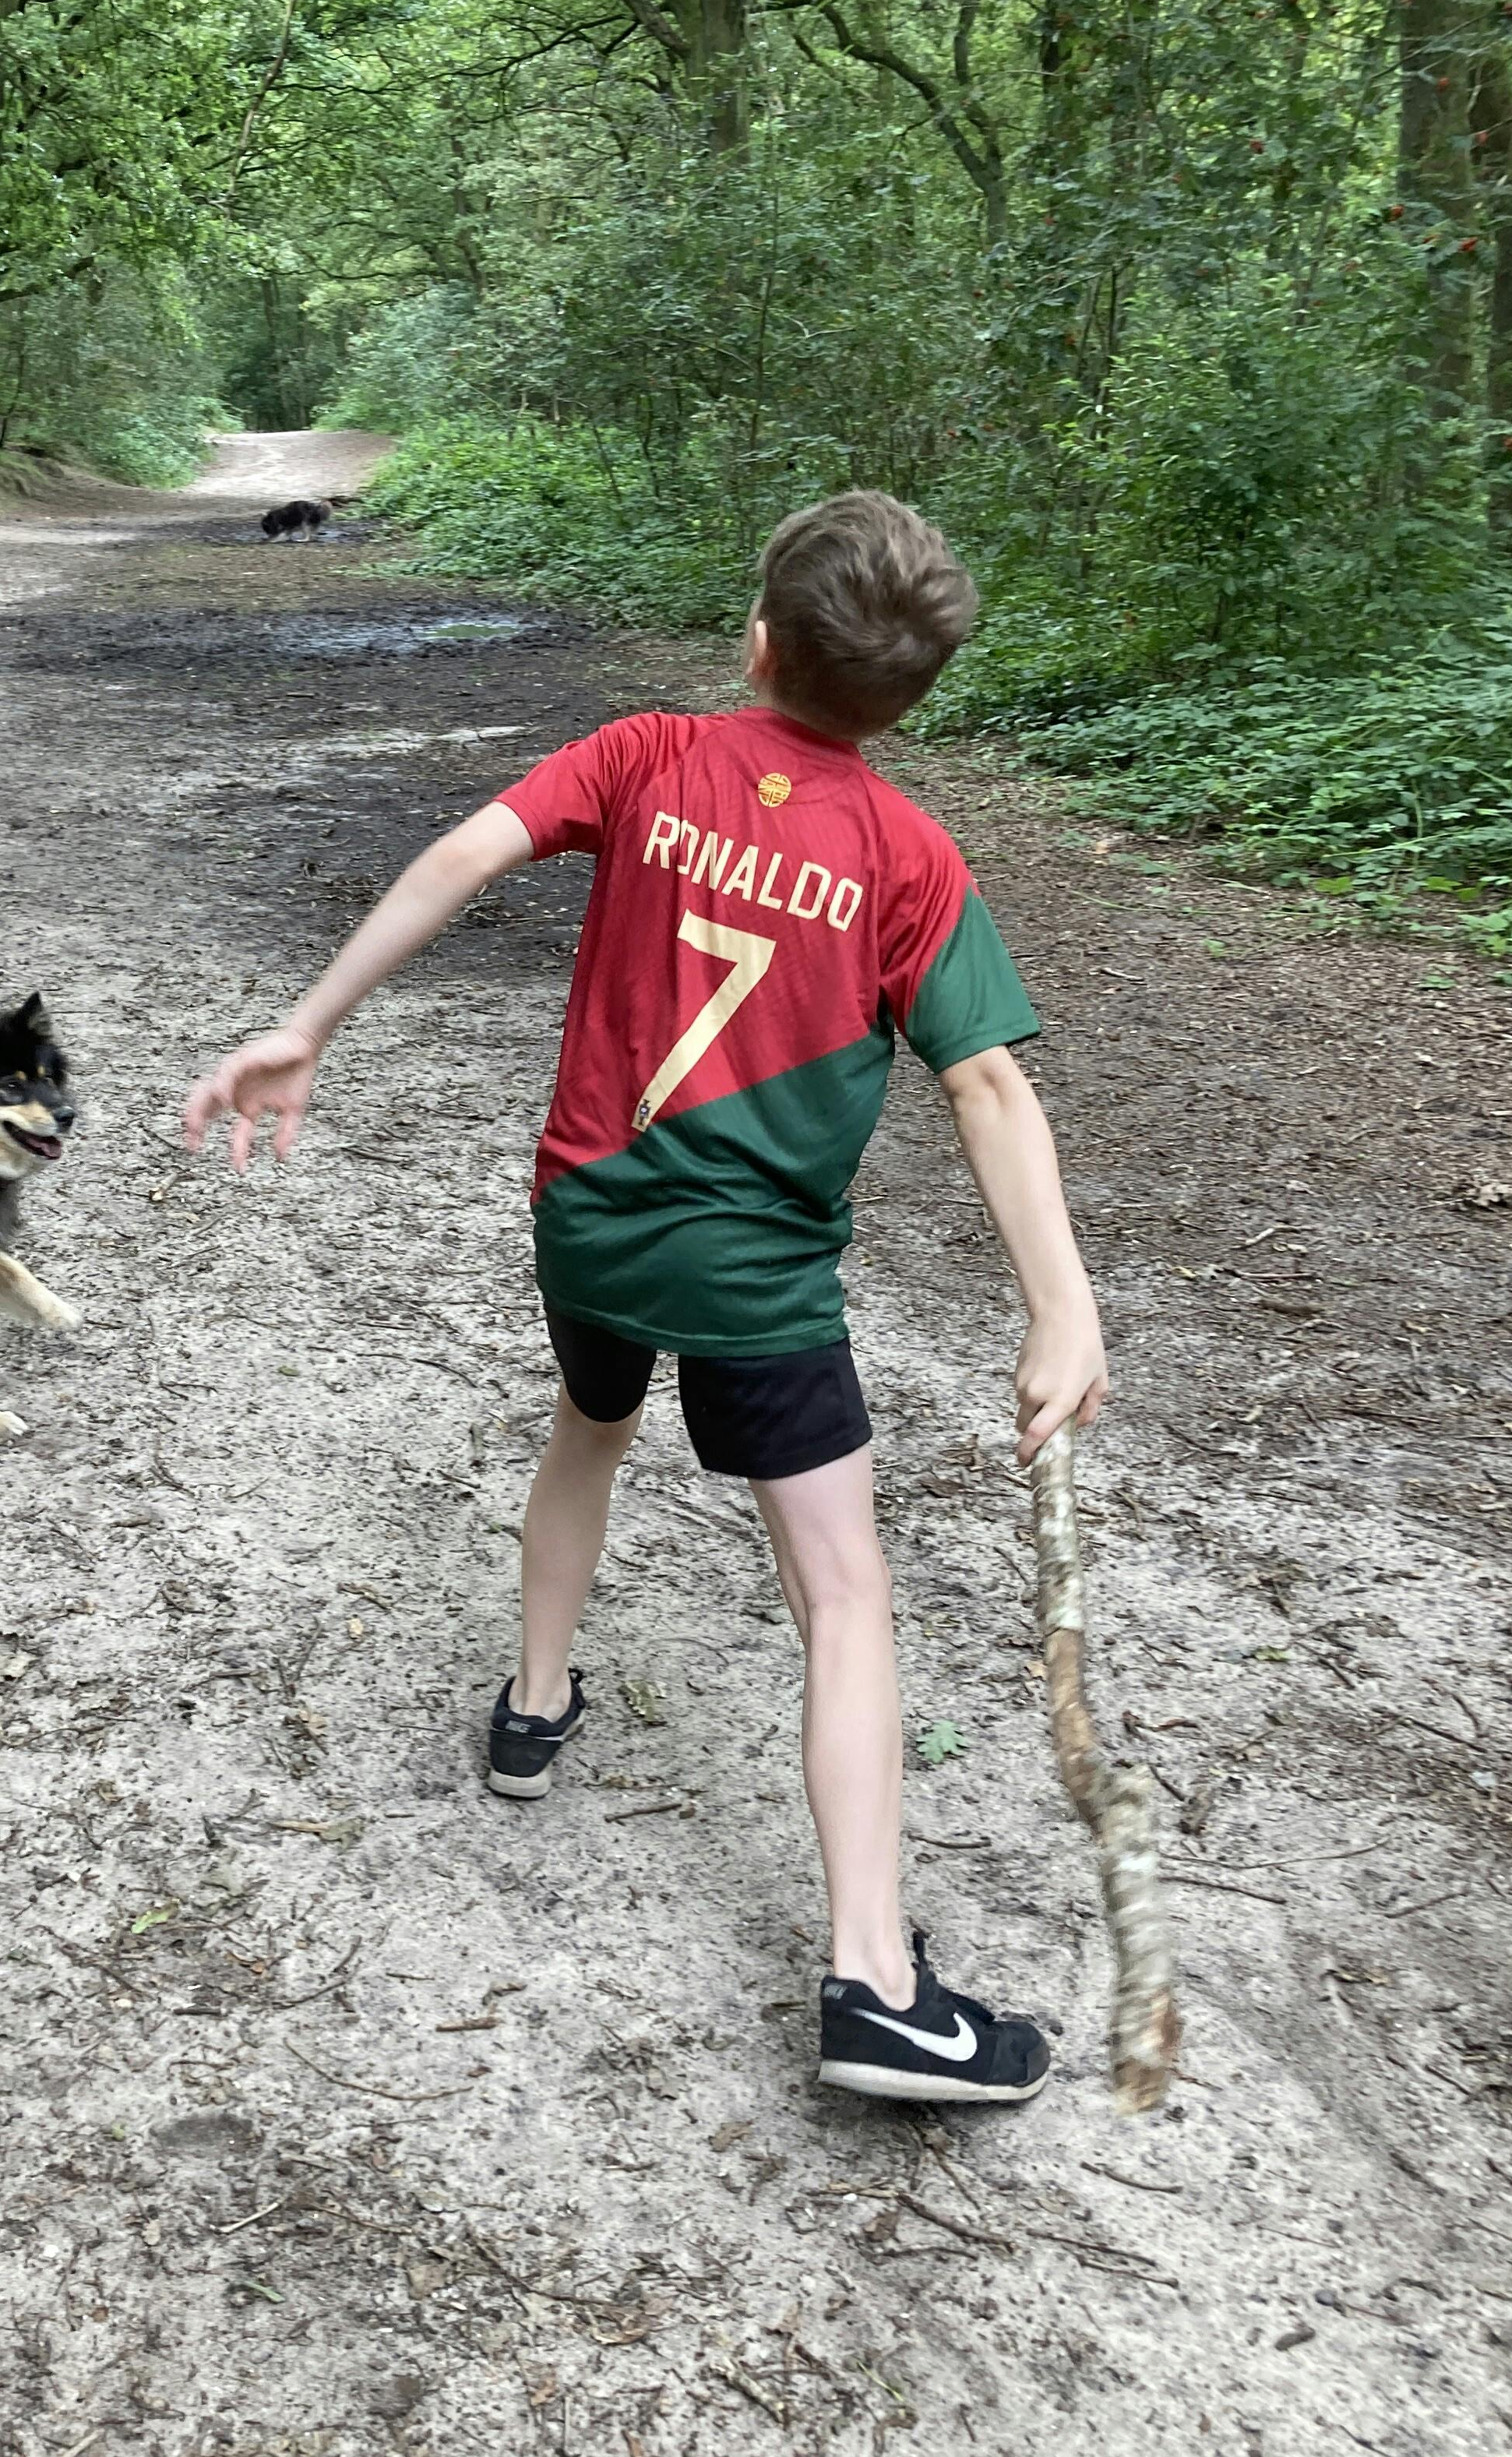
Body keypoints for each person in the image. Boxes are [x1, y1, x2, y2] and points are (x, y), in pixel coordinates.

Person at [180, 492, 1107, 2104]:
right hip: (760, 1286)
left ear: (758, 638)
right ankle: (877, 1983)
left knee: (588, 1431)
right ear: (914, 694)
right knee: (841, 1593)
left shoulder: (645, 756)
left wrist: (308, 1022)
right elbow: (991, 1092)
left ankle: (533, 1708)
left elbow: (467, 853)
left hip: (589, 1233)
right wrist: (1062, 1308)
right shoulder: (910, 858)